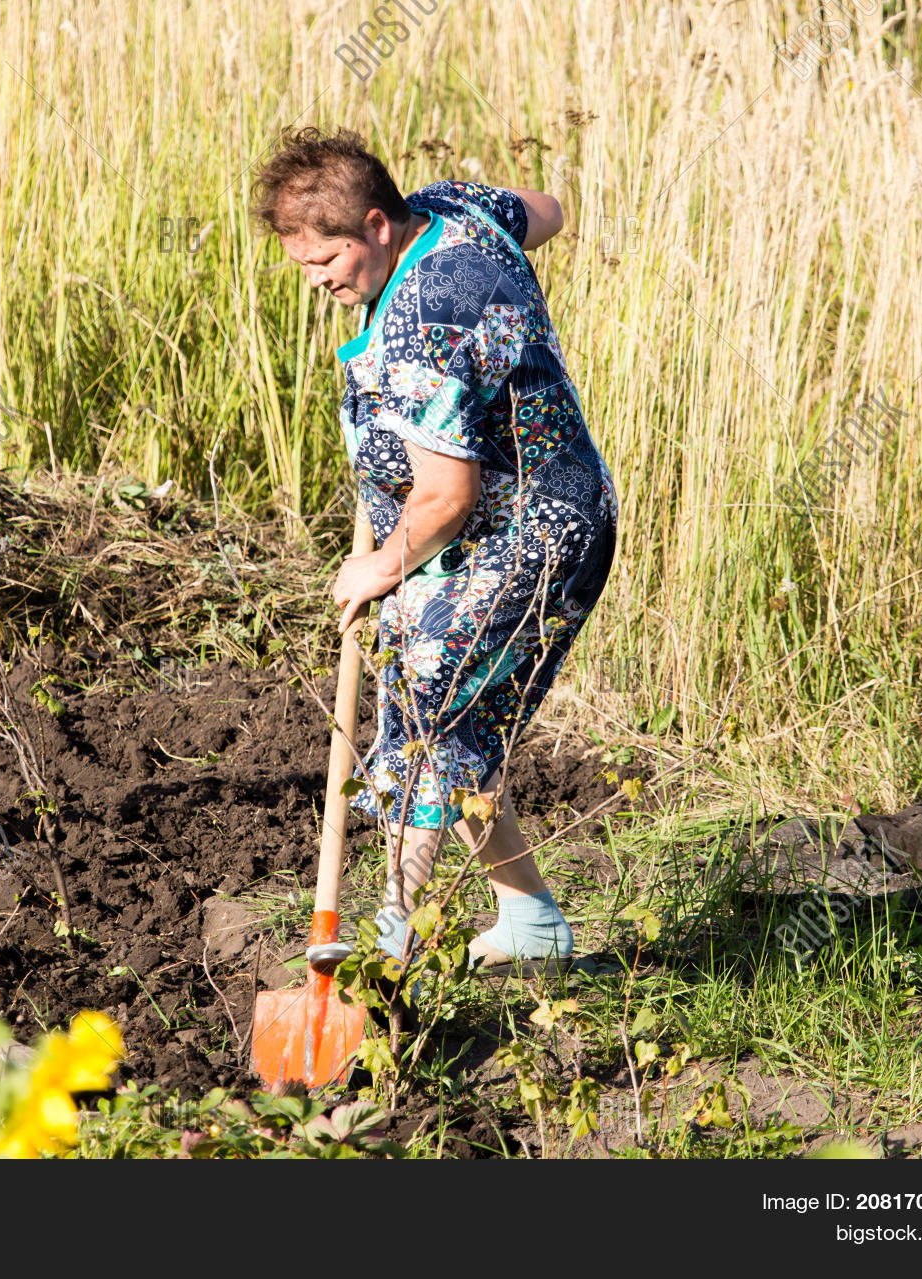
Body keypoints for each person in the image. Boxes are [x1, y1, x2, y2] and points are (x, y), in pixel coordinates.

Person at [252, 127, 617, 975]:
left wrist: (380, 564)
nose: (318, 282)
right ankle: (530, 918)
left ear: (378, 224)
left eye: (328, 260)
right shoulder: (454, 208)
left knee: (425, 715)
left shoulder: (425, 321)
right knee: (457, 723)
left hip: (529, 536)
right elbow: (546, 212)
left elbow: (448, 495)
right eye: (305, 265)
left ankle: (385, 943)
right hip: (500, 520)